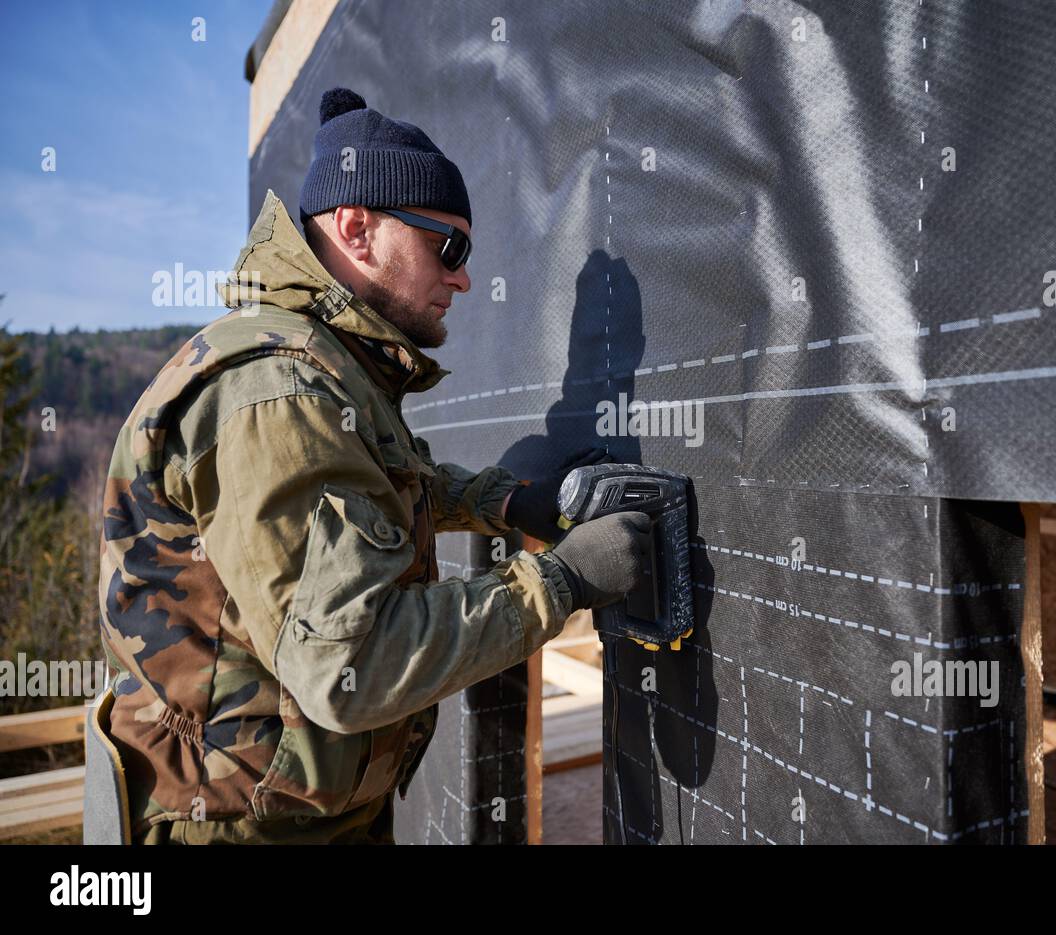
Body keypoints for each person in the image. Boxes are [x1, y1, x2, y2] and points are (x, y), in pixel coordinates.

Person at [95, 87, 647, 844]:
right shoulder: (279, 392)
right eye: (447, 248)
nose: (462, 278)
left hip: (302, 812)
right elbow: (352, 661)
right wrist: (561, 582)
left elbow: (382, 484)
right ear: (357, 228)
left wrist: (504, 501)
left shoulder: (327, 365)